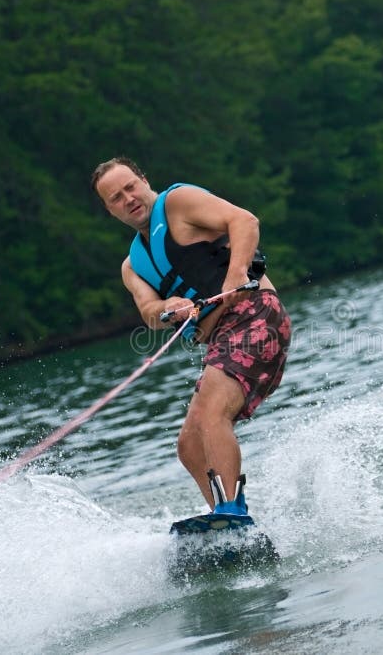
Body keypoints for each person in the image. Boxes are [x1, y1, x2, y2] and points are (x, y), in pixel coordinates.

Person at [91, 157, 291, 516]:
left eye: (130, 187)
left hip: (255, 315)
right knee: (189, 444)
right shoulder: (132, 266)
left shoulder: (177, 203)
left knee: (212, 413)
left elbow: (244, 220)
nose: (128, 199)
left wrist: (235, 275)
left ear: (143, 179)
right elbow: (150, 314)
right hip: (220, 339)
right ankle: (224, 518)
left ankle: (233, 513)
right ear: (110, 210)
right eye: (116, 198)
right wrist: (169, 307)